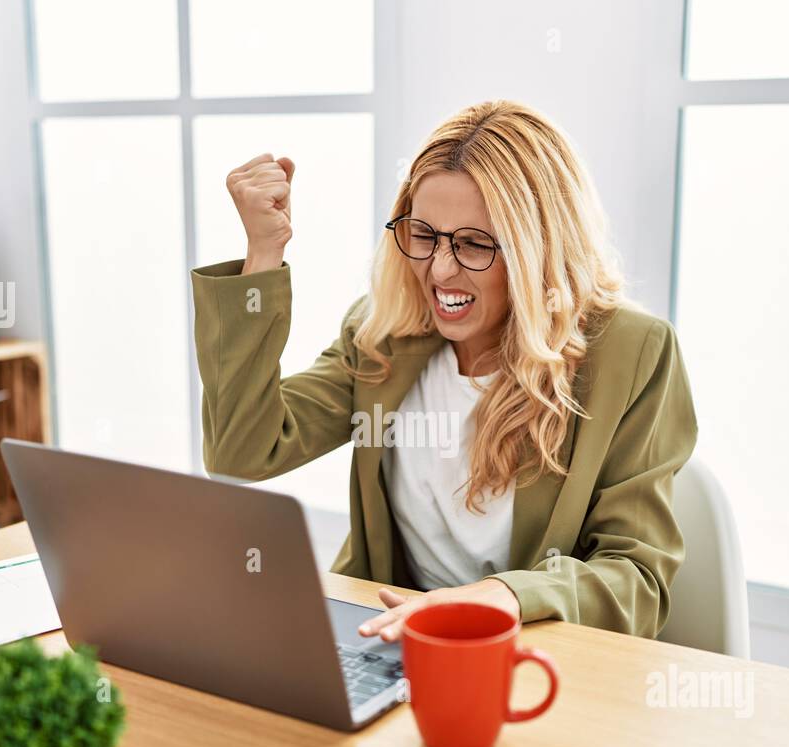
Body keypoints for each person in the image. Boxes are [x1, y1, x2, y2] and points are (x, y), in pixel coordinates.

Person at [190, 100, 697, 641]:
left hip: (535, 657)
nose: (440, 269)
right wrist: (264, 253)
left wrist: (508, 595)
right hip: (389, 644)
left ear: (539, 251)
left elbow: (636, 579)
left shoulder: (631, 352)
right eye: (424, 235)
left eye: (475, 243)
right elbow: (243, 451)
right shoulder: (383, 333)